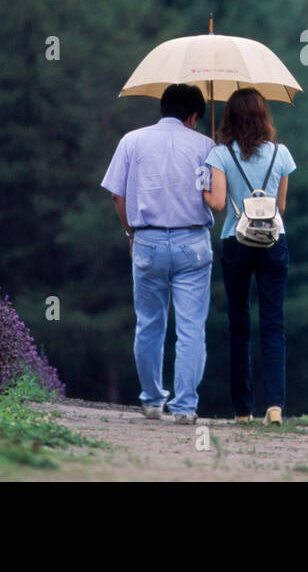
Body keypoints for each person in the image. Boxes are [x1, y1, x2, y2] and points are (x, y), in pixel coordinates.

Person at [101, 83, 214, 424]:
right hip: (192, 243)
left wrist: (129, 231)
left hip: (147, 241)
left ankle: (152, 401)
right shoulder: (205, 145)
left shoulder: (131, 141)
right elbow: (214, 197)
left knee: (149, 323)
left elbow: (116, 195)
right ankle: (185, 407)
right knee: (192, 327)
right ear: (193, 116)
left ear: (163, 108)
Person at [203, 88, 296, 425]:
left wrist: (204, 187)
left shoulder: (221, 154)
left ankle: (243, 410)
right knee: (273, 323)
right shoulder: (281, 154)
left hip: (236, 240)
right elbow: (281, 207)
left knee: (239, 324)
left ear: (229, 118)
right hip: (274, 241)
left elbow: (217, 202)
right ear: (263, 117)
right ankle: (275, 406)